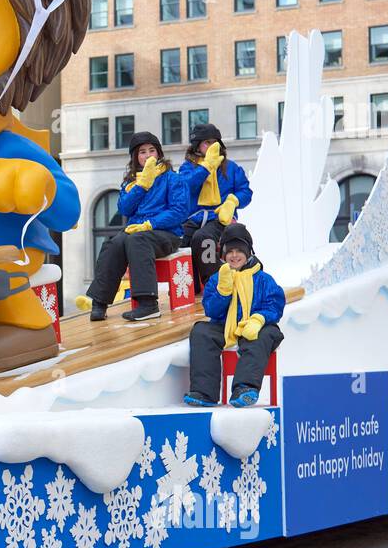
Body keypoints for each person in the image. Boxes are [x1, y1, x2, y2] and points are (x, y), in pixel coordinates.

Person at [85, 132, 190, 322]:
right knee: (114, 243)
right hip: (137, 232)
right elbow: (125, 208)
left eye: (152, 150)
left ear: (158, 154)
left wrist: (151, 224)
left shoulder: (172, 179)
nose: (148, 155)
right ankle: (99, 301)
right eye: (142, 152)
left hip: (166, 233)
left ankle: (148, 304)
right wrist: (142, 186)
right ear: (135, 157)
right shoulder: (131, 182)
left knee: (137, 239)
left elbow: (179, 211)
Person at [184, 223, 286, 408]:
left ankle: (245, 388)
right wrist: (223, 291)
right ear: (223, 254)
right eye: (229, 251)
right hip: (226, 325)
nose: (234, 255)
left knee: (264, 335)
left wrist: (259, 319)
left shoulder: (262, 278)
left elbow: (275, 303)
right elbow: (211, 310)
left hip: (254, 326)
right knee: (201, 331)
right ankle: (204, 392)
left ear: (248, 252)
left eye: (239, 250)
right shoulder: (217, 278)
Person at [177, 124, 252, 290]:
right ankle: (188, 287)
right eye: (206, 143)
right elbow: (184, 187)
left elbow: (246, 192)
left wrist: (233, 201)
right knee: (179, 240)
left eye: (213, 142)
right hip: (193, 218)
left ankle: (213, 283)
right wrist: (206, 168)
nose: (210, 147)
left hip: (219, 218)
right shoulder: (188, 167)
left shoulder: (231, 167)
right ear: (197, 146)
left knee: (203, 238)